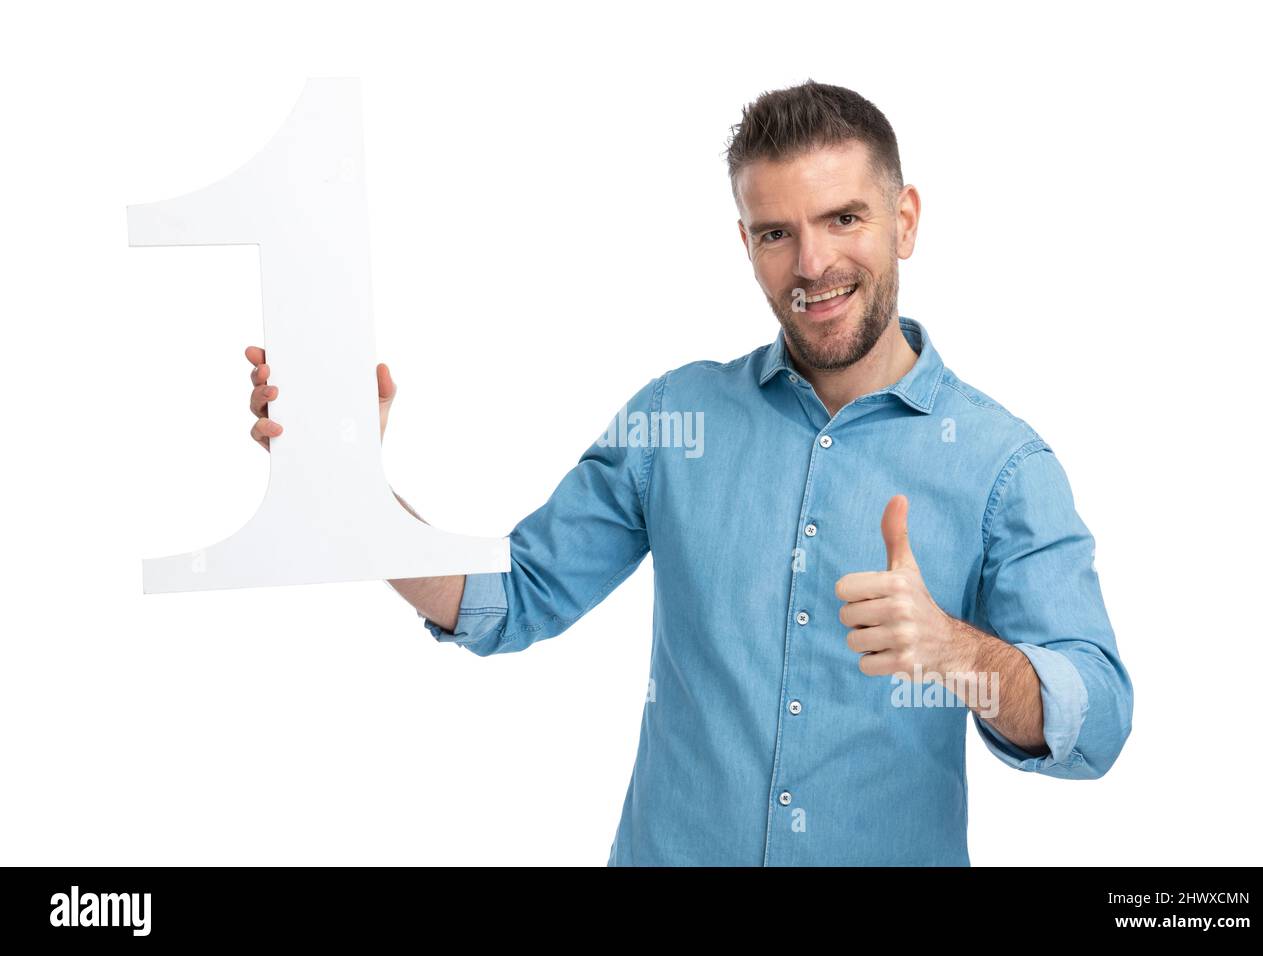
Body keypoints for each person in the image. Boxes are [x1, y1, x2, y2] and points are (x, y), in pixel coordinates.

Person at [244, 80, 1133, 866]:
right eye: (778, 232)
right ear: (745, 241)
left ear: (904, 219)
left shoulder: (1003, 464)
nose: (813, 264)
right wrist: (351, 490)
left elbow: (1098, 723)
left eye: (844, 219)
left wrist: (956, 654)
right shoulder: (677, 421)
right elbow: (511, 597)